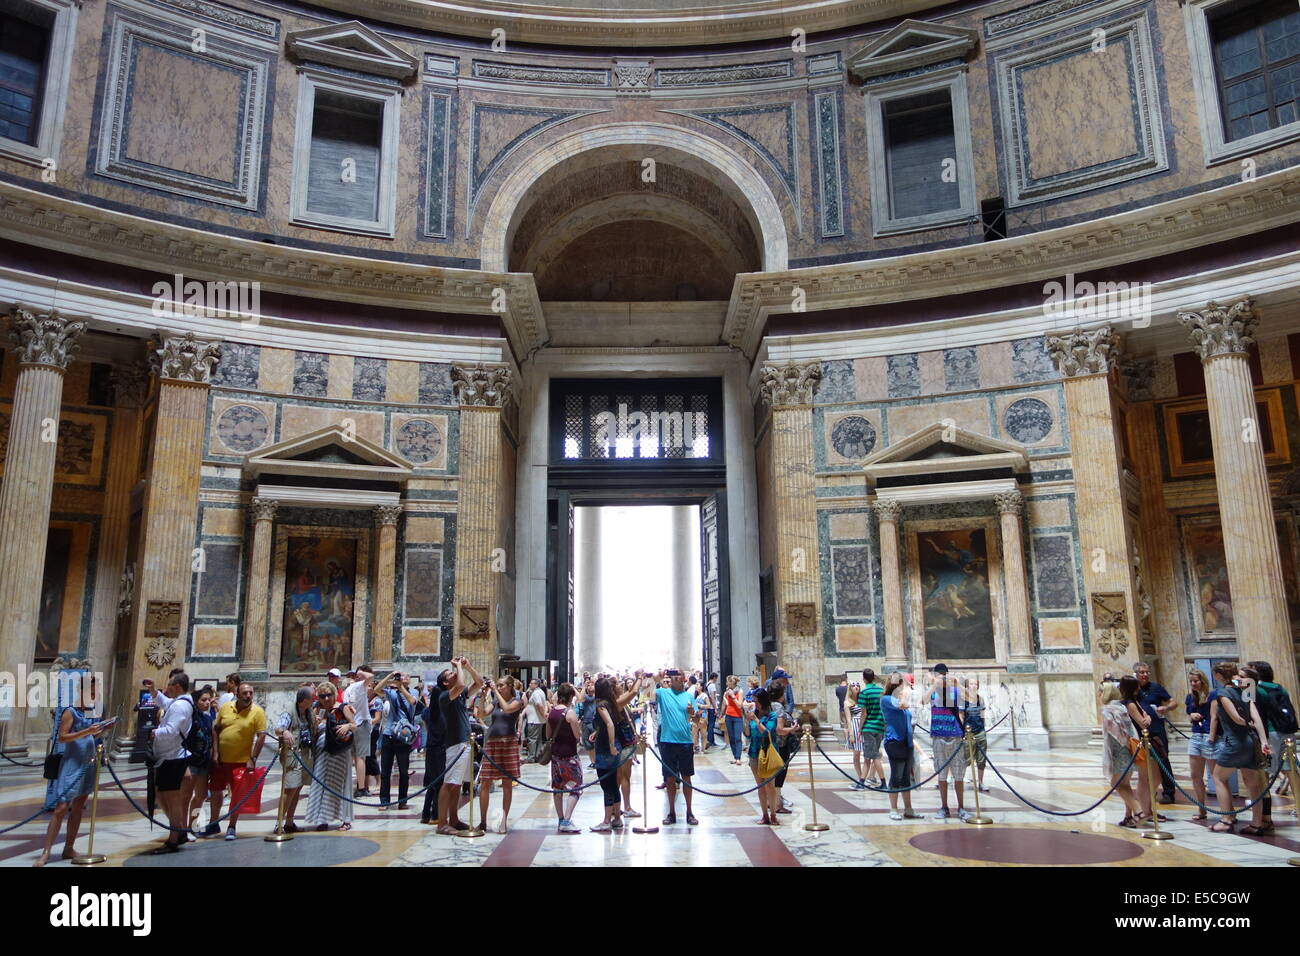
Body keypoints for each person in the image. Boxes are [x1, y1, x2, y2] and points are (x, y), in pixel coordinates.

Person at [34, 677, 111, 867]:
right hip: (72, 765)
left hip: (88, 764)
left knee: (79, 806)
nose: (94, 697)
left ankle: (69, 847)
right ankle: (46, 852)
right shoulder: (70, 711)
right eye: (91, 693)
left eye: (96, 693)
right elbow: (62, 737)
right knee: (61, 809)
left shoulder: (90, 712)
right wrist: (87, 732)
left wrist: (102, 730)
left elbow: (90, 736)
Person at [1208, 663, 1271, 834]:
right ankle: (1256, 824)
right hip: (1251, 740)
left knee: (1218, 777)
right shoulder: (1245, 690)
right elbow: (1255, 716)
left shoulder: (1223, 693)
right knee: (1253, 784)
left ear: (1220, 676)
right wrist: (1263, 741)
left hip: (1234, 741)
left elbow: (1236, 718)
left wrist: (1244, 722)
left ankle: (1226, 819)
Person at [207, 681, 268, 841]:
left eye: (250, 693)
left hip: (241, 760)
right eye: (245, 693)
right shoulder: (226, 707)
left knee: (237, 795)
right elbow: (216, 729)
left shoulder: (257, 712)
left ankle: (232, 826)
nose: (248, 696)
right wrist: (215, 751)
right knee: (215, 791)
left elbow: (261, 735)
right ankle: (213, 823)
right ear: (238, 694)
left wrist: (253, 758)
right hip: (220, 759)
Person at [148, 672, 197, 854]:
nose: (167, 688)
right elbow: (165, 703)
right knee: (164, 795)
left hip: (172, 757)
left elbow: (171, 730)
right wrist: (154, 691)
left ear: (177, 687)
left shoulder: (180, 707)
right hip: (168, 756)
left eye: (169, 685)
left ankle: (174, 839)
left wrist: (154, 733)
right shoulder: (179, 703)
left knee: (172, 798)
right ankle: (179, 831)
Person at [437, 657, 483, 834]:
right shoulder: (444, 696)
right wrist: (457, 666)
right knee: (449, 782)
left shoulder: (460, 695)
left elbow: (478, 683)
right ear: (445, 682)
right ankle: (442, 823)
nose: (455, 673)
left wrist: (468, 666)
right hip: (455, 743)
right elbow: (462, 685)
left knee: (457, 783)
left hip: (465, 742)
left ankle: (454, 819)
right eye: (451, 673)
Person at [305, 680, 357, 831]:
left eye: (329, 695)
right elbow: (312, 730)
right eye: (322, 696)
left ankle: (346, 819)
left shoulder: (342, 707)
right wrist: (314, 723)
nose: (326, 699)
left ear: (334, 695)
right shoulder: (316, 709)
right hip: (322, 754)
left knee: (342, 785)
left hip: (339, 753)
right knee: (322, 786)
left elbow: (355, 725)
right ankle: (323, 818)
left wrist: (347, 725)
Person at [478, 675, 524, 834]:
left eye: (502, 685)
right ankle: (482, 821)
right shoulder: (496, 701)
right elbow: (481, 714)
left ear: (510, 686)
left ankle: (504, 819)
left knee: (506, 783)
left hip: (509, 742)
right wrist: (483, 696)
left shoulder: (517, 701)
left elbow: (507, 709)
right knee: (485, 781)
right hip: (493, 742)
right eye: (498, 685)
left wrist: (494, 691)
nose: (499, 687)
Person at [1248, 659, 1294, 815]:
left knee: (1264, 771)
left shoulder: (1255, 689)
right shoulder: (1280, 688)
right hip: (1286, 731)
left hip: (1269, 732)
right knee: (1290, 768)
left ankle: (1264, 811)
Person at [653, 668, 699, 825]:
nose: (677, 679)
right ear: (670, 679)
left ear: (684, 679)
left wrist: (693, 713)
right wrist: (658, 676)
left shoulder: (689, 696)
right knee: (670, 778)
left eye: (680, 677)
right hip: (667, 742)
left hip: (685, 742)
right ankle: (671, 812)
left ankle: (689, 812)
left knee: (687, 777)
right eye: (674, 677)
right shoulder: (663, 694)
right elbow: (649, 688)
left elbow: (696, 717)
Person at [274, 686, 320, 834]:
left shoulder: (308, 712)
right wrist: (285, 731)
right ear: (304, 700)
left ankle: (289, 822)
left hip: (305, 755)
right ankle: (279, 822)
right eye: (312, 698)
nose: (314, 701)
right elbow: (278, 728)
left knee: (297, 788)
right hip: (293, 756)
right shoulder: (290, 711)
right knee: (290, 788)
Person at [1100, 680, 1143, 828]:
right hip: (1130, 749)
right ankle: (1128, 816)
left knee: (1116, 784)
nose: (1099, 694)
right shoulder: (1121, 707)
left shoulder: (1107, 709)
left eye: (1101, 691)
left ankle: (1138, 811)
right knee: (1126, 784)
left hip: (1119, 751)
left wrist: (1116, 750)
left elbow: (1114, 732)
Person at [928, 663, 969, 821]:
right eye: (939, 674)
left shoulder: (955, 690)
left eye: (943, 674)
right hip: (938, 735)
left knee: (958, 773)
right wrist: (933, 685)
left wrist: (957, 683)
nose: (941, 677)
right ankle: (944, 807)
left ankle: (961, 807)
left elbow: (970, 697)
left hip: (955, 734)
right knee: (942, 774)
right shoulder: (933, 691)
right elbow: (923, 700)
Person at [589, 676, 629, 832]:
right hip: (611, 746)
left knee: (606, 785)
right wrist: (597, 732)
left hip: (606, 749)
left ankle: (606, 820)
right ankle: (617, 819)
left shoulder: (600, 705)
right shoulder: (612, 704)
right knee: (613, 785)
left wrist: (611, 746)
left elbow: (610, 724)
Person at [1134, 661, 1177, 804]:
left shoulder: (1156, 687)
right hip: (1139, 731)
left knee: (1163, 759)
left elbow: (1173, 702)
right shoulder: (1133, 689)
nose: (1145, 675)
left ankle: (1169, 792)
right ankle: (1148, 792)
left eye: (1147, 672)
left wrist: (1166, 708)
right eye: (1142, 672)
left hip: (1157, 730)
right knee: (1145, 763)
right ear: (1136, 674)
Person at [375, 670, 418, 810]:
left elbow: (412, 701)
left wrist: (401, 688)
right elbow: (377, 689)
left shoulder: (414, 692)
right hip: (389, 734)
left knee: (404, 771)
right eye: (401, 676)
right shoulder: (391, 693)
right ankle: (384, 801)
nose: (403, 677)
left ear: (409, 680)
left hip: (404, 736)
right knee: (385, 771)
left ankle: (402, 801)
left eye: (406, 675)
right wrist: (389, 677)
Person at [881, 673, 921, 820]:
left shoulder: (897, 700)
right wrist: (903, 693)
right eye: (901, 684)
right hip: (894, 742)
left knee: (905, 777)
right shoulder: (886, 700)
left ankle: (908, 809)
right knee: (896, 775)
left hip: (906, 742)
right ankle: (893, 809)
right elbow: (903, 705)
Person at [1119, 674, 1157, 826]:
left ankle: (1132, 814)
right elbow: (1143, 723)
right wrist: (1148, 719)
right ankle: (1139, 812)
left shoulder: (1134, 702)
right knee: (1143, 779)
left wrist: (1147, 717)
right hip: (1139, 744)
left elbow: (1146, 715)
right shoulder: (1130, 704)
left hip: (1143, 742)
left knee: (1150, 778)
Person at [547, 683, 584, 833]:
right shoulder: (570, 713)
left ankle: (561, 818)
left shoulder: (552, 712)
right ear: (570, 697)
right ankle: (567, 820)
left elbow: (548, 735)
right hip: (569, 755)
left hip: (555, 755)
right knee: (576, 787)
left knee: (558, 787)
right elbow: (577, 735)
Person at [181, 685, 215, 837]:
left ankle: (193, 825)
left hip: (204, 762)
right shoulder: (189, 718)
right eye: (203, 700)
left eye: (208, 700)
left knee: (201, 795)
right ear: (195, 702)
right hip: (191, 760)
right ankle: (182, 828)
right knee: (186, 796)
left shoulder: (207, 718)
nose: (207, 703)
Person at [1185, 668, 1217, 822]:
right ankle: (1201, 808)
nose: (1193, 684)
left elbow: (1215, 717)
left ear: (1202, 681)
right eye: (1191, 681)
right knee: (1195, 775)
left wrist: (1212, 736)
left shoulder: (1212, 696)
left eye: (1196, 681)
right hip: (1195, 736)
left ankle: (1227, 810)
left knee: (1216, 775)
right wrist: (1191, 715)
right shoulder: (1190, 697)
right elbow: (1188, 714)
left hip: (1208, 736)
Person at [745, 688, 781, 825]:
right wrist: (747, 721)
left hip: (768, 752)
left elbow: (767, 732)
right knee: (760, 786)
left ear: (762, 701)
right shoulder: (753, 714)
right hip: (754, 752)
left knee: (770, 786)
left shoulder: (772, 715)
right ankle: (764, 815)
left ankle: (773, 814)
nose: (754, 703)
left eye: (755, 700)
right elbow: (747, 734)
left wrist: (755, 719)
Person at [419, 670, 447, 826]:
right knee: (438, 782)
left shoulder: (428, 712)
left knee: (431, 782)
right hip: (438, 748)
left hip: (431, 747)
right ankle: (435, 815)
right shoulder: (438, 713)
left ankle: (425, 814)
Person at [343, 666, 373, 797]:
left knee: (354, 757)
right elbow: (371, 677)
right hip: (361, 724)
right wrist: (361, 673)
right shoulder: (359, 686)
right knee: (360, 757)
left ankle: (354, 786)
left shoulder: (347, 691)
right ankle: (361, 788)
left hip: (352, 723)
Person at [857, 669, 885, 789]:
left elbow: (863, 714)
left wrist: (859, 729)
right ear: (873, 678)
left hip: (868, 727)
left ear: (864, 679)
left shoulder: (865, 693)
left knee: (874, 756)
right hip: (879, 727)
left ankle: (884, 783)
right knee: (868, 756)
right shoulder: (881, 691)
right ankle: (862, 782)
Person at [964, 676, 989, 793]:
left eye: (975, 684)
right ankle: (960, 778)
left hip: (980, 731)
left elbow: (982, 714)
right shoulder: (963, 700)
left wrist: (983, 728)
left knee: (981, 759)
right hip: (968, 732)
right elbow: (961, 716)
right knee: (966, 758)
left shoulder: (981, 699)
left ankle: (981, 782)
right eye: (971, 684)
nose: (973, 686)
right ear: (967, 686)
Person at [843, 681, 866, 789]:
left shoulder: (862, 698)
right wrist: (851, 734)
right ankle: (860, 777)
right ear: (850, 689)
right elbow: (848, 719)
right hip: (855, 725)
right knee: (856, 754)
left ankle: (867, 777)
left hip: (864, 725)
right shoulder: (847, 702)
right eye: (853, 685)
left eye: (858, 685)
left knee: (870, 753)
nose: (856, 687)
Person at [524, 678, 548, 760]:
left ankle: (531, 757)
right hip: (538, 720)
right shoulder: (540, 692)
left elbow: (539, 705)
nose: (529, 684)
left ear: (536, 685)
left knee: (532, 739)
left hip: (534, 720)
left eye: (531, 683)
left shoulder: (536, 693)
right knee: (538, 739)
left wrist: (543, 714)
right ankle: (537, 756)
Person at [723, 676, 745, 766]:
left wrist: (733, 696)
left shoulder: (739, 691)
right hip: (728, 716)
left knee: (737, 737)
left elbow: (739, 705)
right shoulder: (727, 691)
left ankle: (738, 758)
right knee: (731, 738)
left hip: (737, 716)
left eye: (728, 682)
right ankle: (735, 757)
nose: (727, 684)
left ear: (732, 682)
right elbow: (725, 702)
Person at [706, 672, 720, 748]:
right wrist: (715, 708)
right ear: (714, 677)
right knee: (711, 724)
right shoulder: (712, 685)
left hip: (709, 707)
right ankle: (711, 741)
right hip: (712, 707)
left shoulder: (707, 684)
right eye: (716, 678)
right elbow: (713, 697)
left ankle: (711, 740)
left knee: (710, 724)